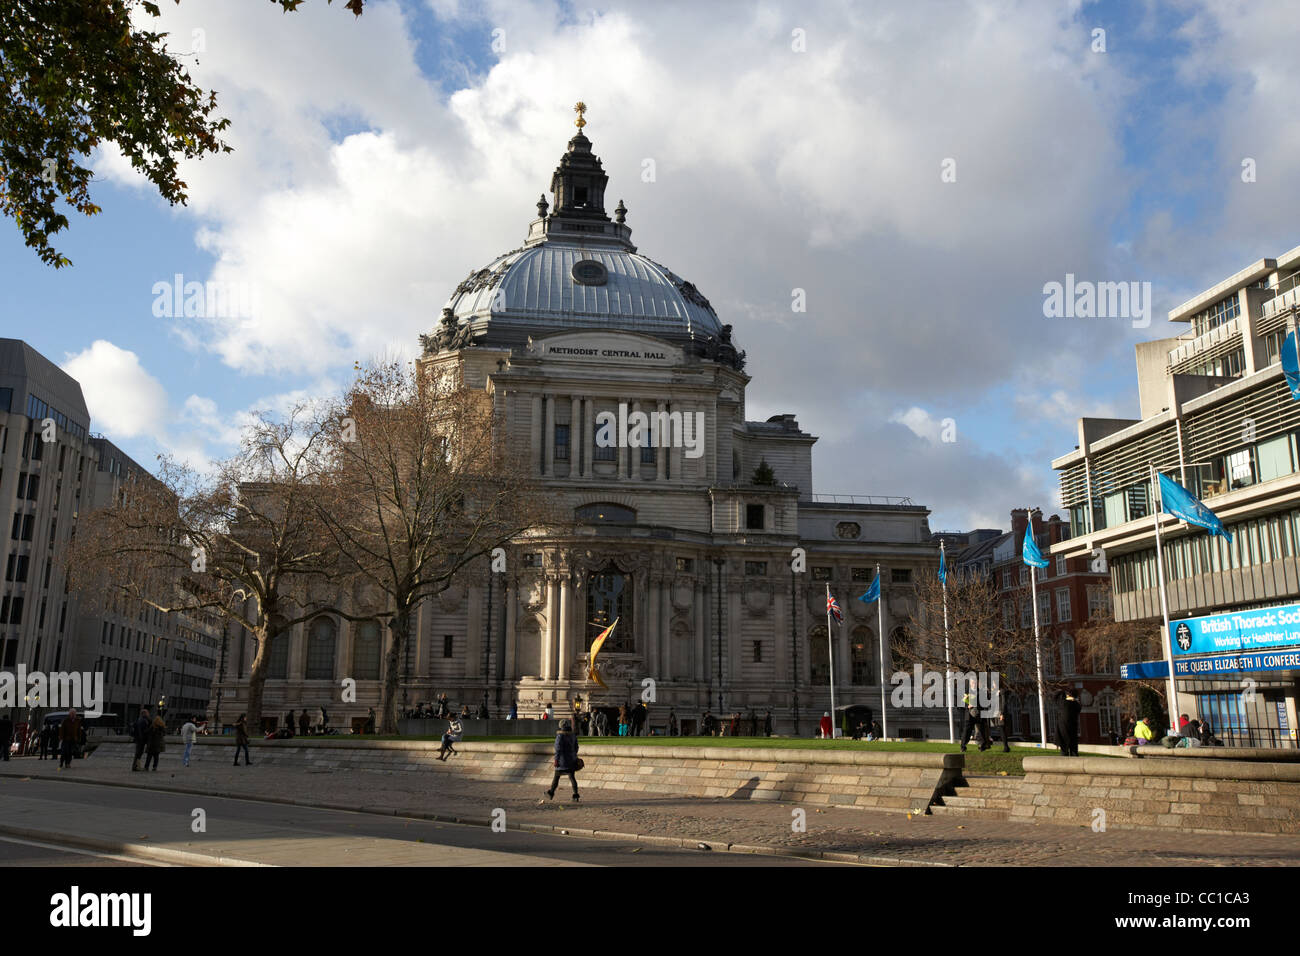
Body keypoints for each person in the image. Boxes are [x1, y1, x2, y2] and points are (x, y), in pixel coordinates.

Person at [545, 719, 581, 802]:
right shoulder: (573, 735)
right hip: (571, 760)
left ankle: (551, 793)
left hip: (562, 761)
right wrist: (573, 755)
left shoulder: (560, 736)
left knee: (556, 777)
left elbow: (558, 749)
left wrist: (556, 760)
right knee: (572, 778)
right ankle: (575, 795)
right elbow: (576, 747)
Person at [960, 687, 991, 752]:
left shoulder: (981, 691)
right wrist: (967, 705)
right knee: (967, 731)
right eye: (972, 681)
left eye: (974, 681)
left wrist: (976, 704)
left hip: (978, 714)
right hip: (969, 715)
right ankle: (963, 746)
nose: (973, 683)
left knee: (980, 731)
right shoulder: (966, 691)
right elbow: (962, 702)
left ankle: (982, 746)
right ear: (970, 683)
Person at [1055, 690, 1081, 757]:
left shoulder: (1061, 703)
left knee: (1064, 750)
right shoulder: (1076, 704)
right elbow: (1079, 709)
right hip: (1073, 729)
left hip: (1062, 729)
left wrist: (1061, 692)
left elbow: (1055, 697)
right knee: (1074, 750)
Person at [131, 707, 152, 771]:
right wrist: (149, 729)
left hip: (139, 739)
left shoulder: (140, 720)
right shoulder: (143, 721)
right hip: (140, 740)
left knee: (138, 753)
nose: (148, 714)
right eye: (148, 713)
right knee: (138, 753)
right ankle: (135, 766)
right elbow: (142, 731)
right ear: (145, 714)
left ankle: (136, 766)